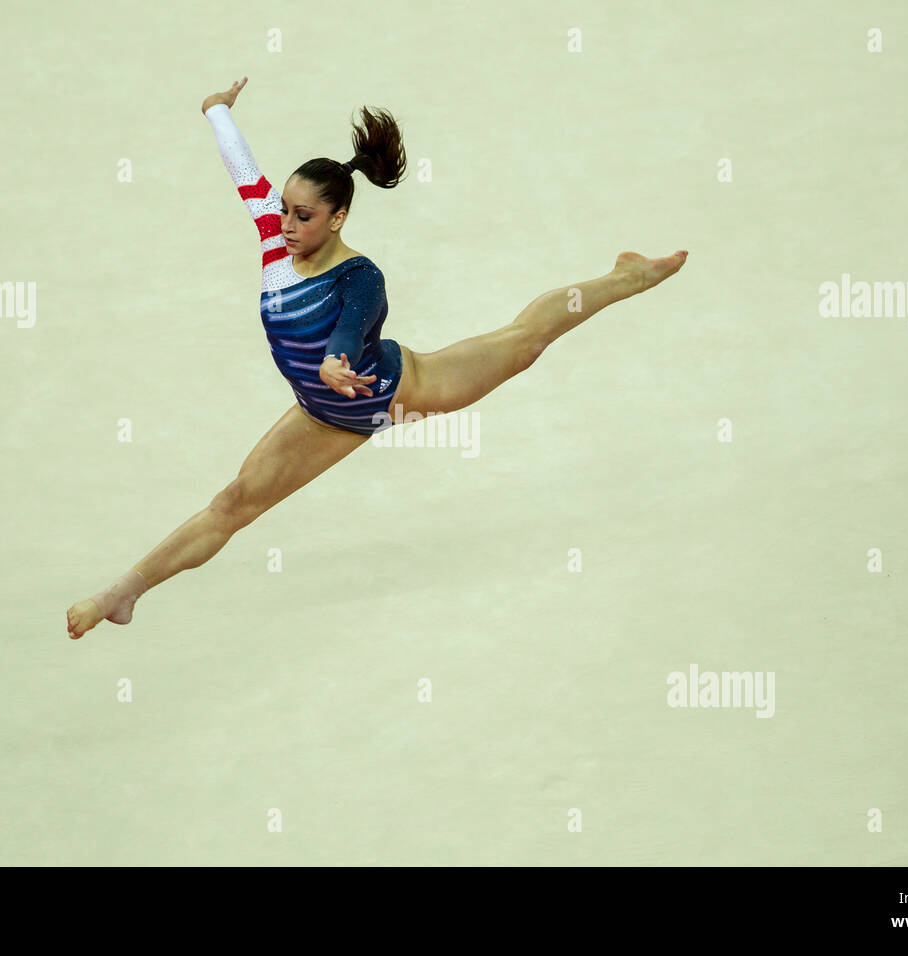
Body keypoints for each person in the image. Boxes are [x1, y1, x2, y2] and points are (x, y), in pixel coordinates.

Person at [66, 76, 688, 640]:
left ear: (338, 218)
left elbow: (353, 327)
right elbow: (244, 175)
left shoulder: (360, 275)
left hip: (398, 393)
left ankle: (625, 278)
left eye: (303, 216)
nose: (284, 224)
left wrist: (337, 362)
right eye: (284, 209)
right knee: (233, 506)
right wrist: (216, 113)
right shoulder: (277, 244)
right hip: (325, 414)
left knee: (523, 344)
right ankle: (124, 592)